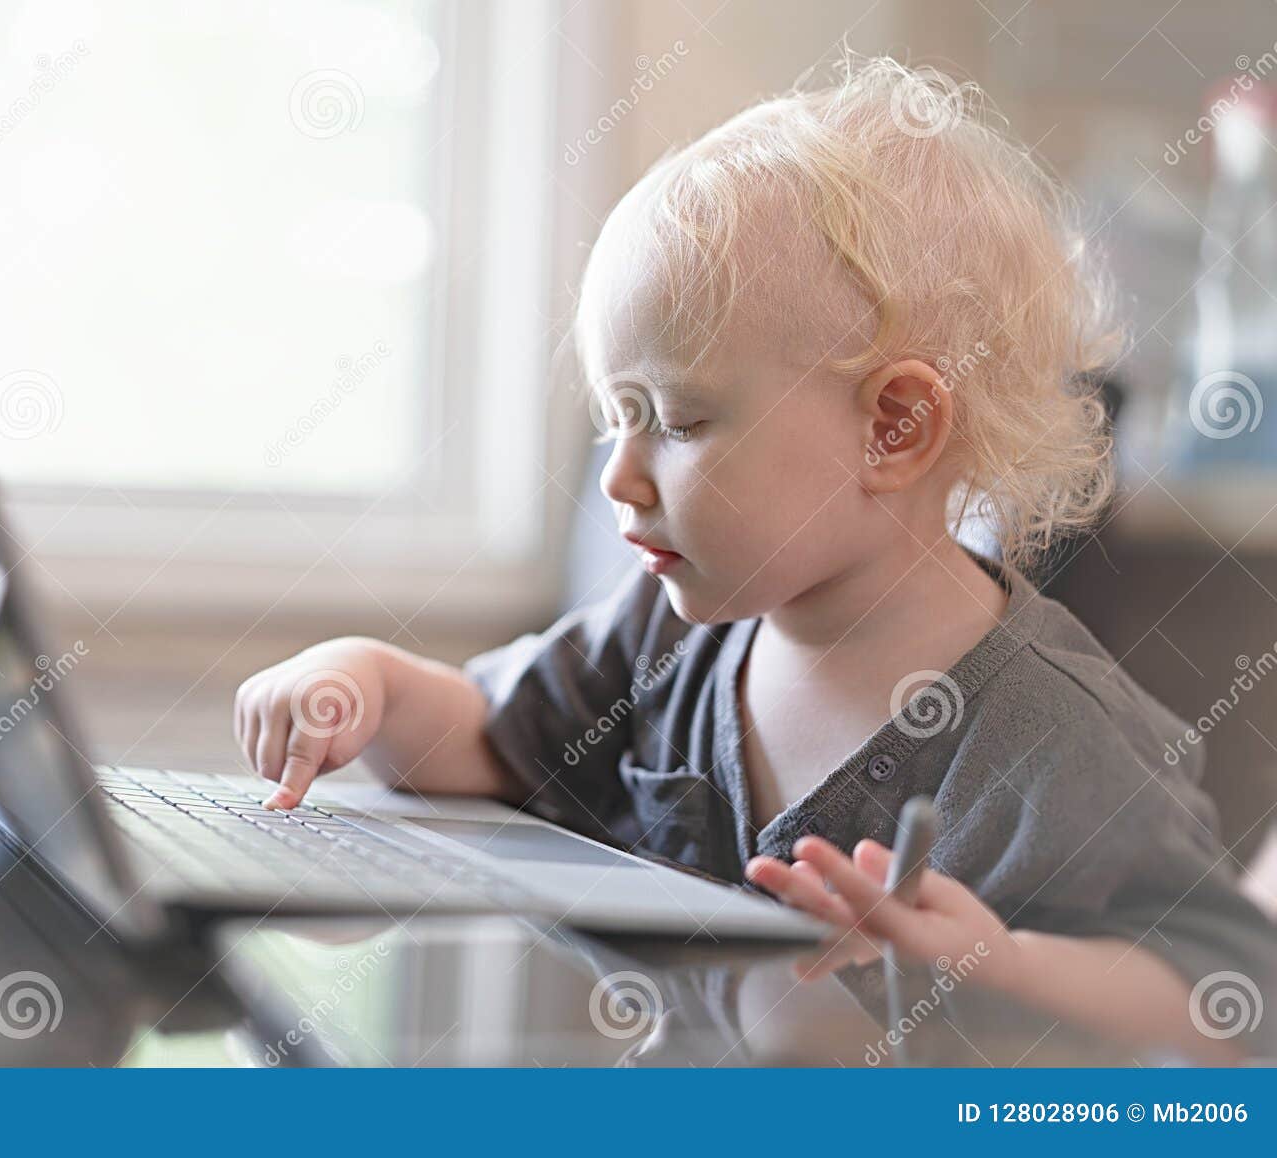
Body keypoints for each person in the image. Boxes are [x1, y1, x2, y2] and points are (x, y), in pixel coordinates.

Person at [233, 56, 1277, 1063]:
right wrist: (364, 682)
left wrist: (995, 958)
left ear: (895, 427)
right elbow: (490, 741)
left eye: (677, 420)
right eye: (616, 420)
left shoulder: (1050, 737)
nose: (618, 478)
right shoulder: (667, 630)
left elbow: (1228, 999)